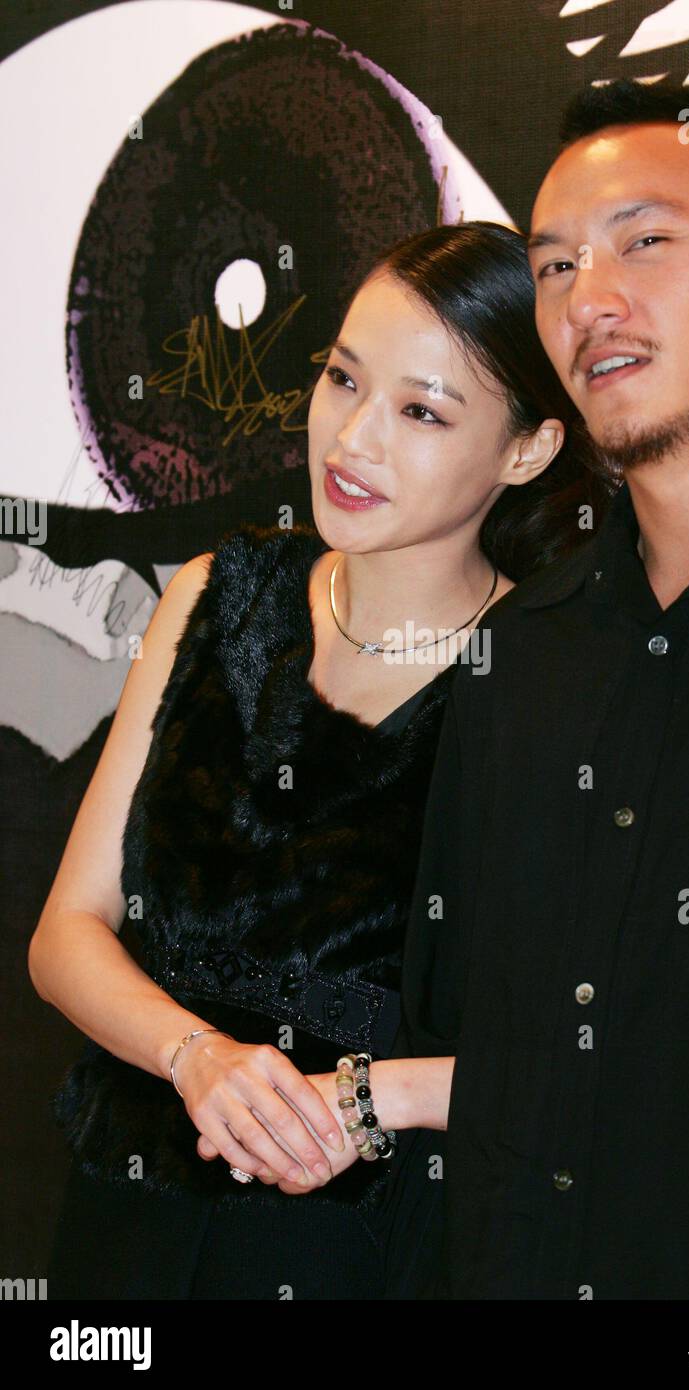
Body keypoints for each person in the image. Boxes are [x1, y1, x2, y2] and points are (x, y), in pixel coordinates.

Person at [31, 220, 609, 1300]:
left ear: (527, 449)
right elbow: (66, 932)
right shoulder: (215, 594)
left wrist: (359, 1097)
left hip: (354, 1235)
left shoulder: (549, 685)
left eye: (422, 411)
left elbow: (591, 1060)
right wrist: (196, 1057)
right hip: (127, 1202)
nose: (352, 439)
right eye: (344, 378)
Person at [389, 79, 689, 1299]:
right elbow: (470, 1035)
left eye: (644, 241)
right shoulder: (522, 652)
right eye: (552, 268)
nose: (587, 301)